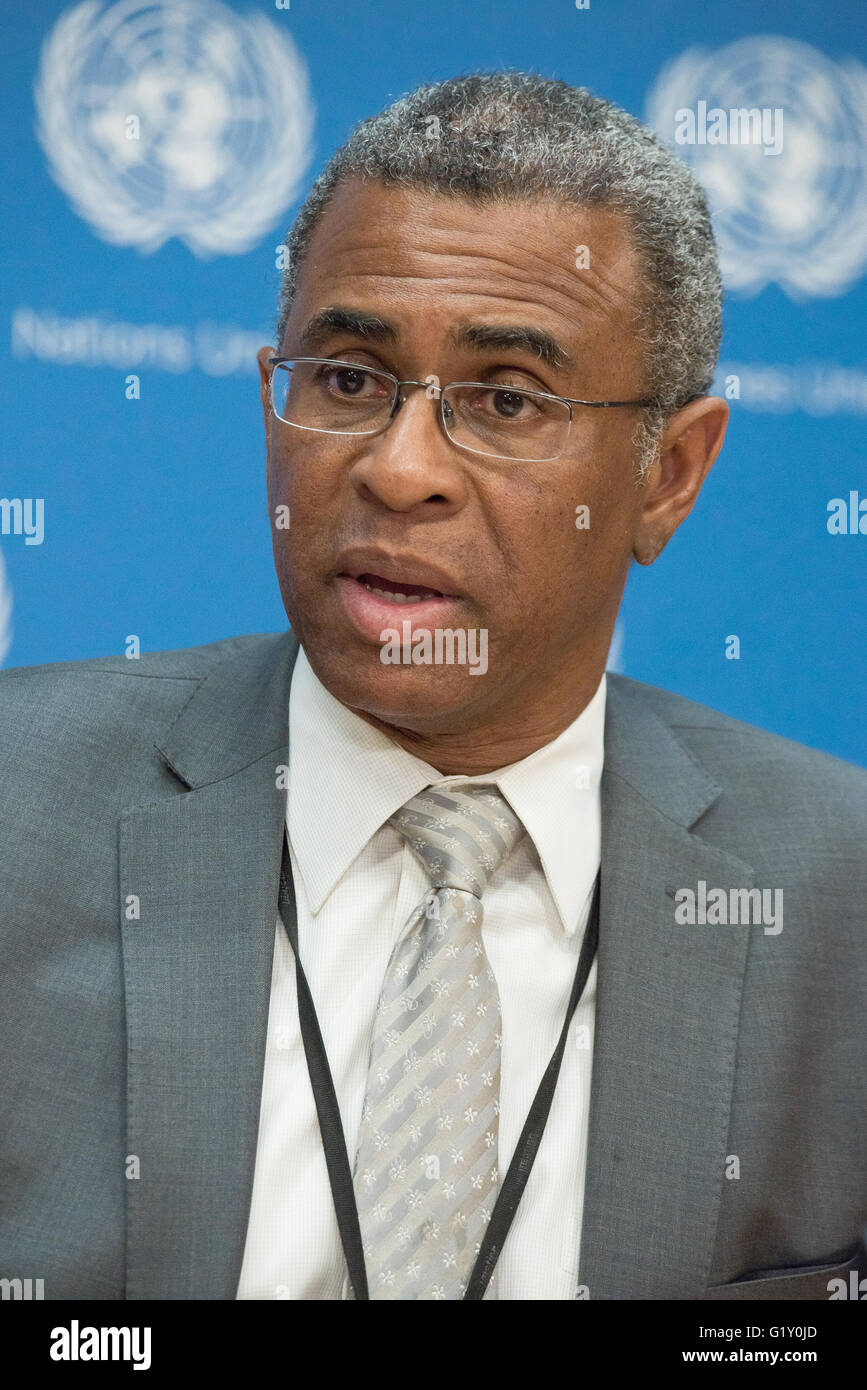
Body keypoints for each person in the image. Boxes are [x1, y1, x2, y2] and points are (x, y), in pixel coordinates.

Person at [1, 73, 864, 1302]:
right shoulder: (16, 808)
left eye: (507, 400)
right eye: (347, 379)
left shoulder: (843, 902)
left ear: (669, 474)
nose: (401, 471)